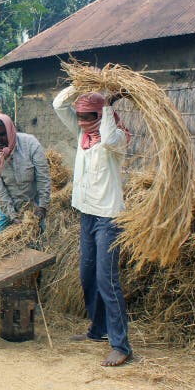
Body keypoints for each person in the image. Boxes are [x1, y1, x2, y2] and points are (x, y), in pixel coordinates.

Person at [52, 86, 133, 367]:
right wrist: (82, 84)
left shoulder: (116, 138)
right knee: (87, 276)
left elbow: (109, 137)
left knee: (106, 280)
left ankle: (120, 345)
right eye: (80, 116)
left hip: (108, 218)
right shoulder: (82, 137)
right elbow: (58, 104)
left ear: (101, 114)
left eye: (88, 116)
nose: (82, 121)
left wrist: (109, 106)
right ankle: (97, 329)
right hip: (86, 214)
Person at [0, 113, 51, 317]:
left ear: (10, 131)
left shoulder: (30, 144)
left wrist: (42, 208)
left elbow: (43, 177)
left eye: (3, 134)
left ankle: (35, 301)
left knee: (35, 253)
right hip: (6, 206)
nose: (0, 139)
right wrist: (12, 214)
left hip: (31, 205)